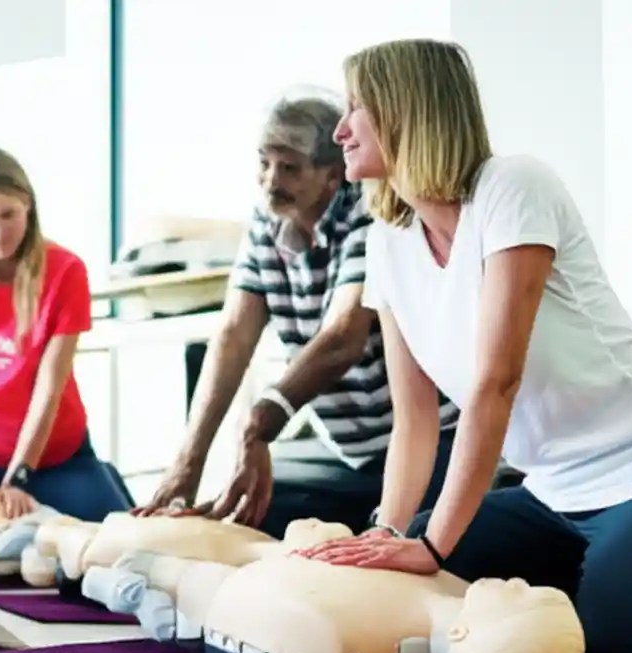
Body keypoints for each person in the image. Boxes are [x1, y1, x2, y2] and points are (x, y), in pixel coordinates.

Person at [308, 37, 632, 653]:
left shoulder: (513, 187)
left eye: (356, 108)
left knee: (626, 641)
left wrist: (433, 544)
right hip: (550, 490)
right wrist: (389, 535)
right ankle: (602, 577)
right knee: (414, 588)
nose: (339, 130)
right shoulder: (387, 241)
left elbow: (496, 382)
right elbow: (416, 418)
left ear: (407, 112)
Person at [134, 90, 460, 538]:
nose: (271, 180)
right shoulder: (266, 224)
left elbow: (344, 335)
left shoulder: (371, 213)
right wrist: (187, 465)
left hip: (430, 441)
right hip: (347, 455)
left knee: (417, 544)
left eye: (290, 167)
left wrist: (261, 420)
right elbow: (233, 335)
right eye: (264, 163)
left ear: (331, 176)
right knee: (247, 511)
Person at [0, 148, 132, 523]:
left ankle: (103, 477)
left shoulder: (66, 271)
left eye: (8, 214)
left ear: (27, 203)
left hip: (56, 458)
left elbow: (49, 388)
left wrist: (19, 477)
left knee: (118, 538)